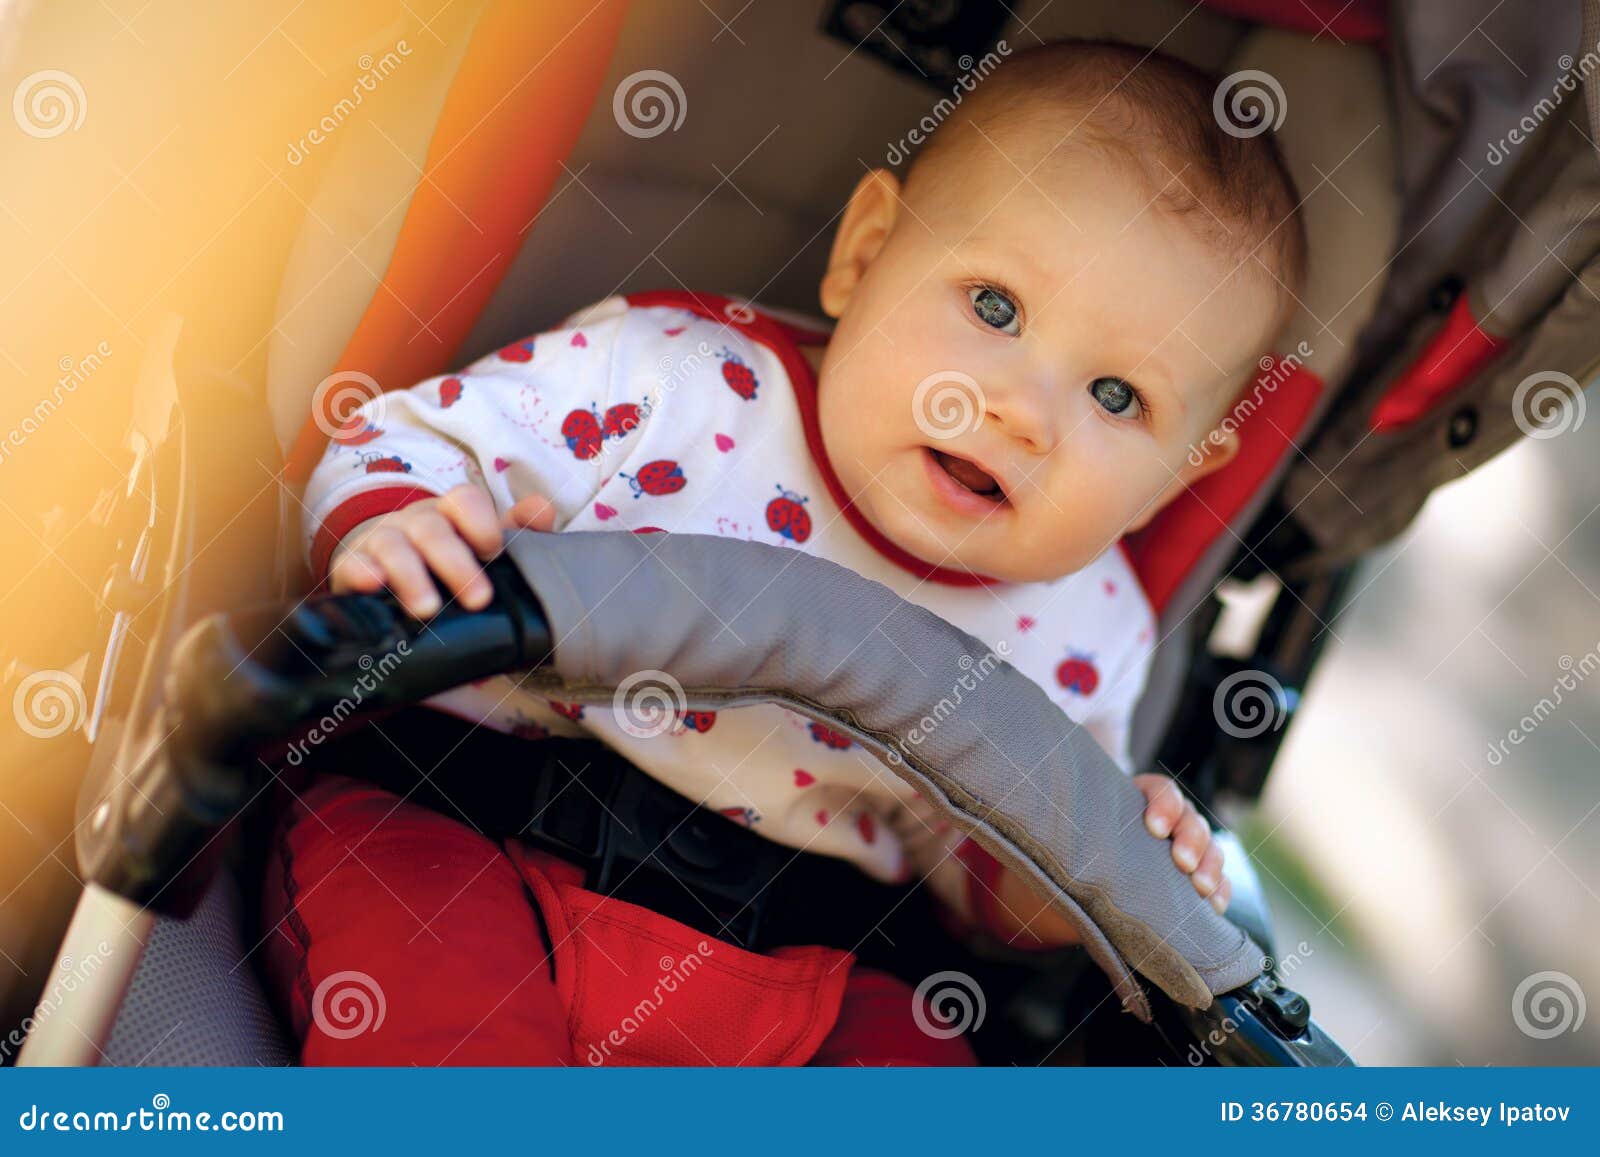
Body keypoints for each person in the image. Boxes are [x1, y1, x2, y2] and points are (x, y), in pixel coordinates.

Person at [262, 38, 1306, 1066]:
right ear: (864, 255)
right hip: (469, 820)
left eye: (1116, 396)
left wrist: (1107, 857)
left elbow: (985, 886)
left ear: (1176, 473)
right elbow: (404, 439)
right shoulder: (673, 386)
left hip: (798, 960)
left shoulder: (1091, 629)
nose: (1023, 414)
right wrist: (405, 526)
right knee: (447, 1028)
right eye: (995, 307)